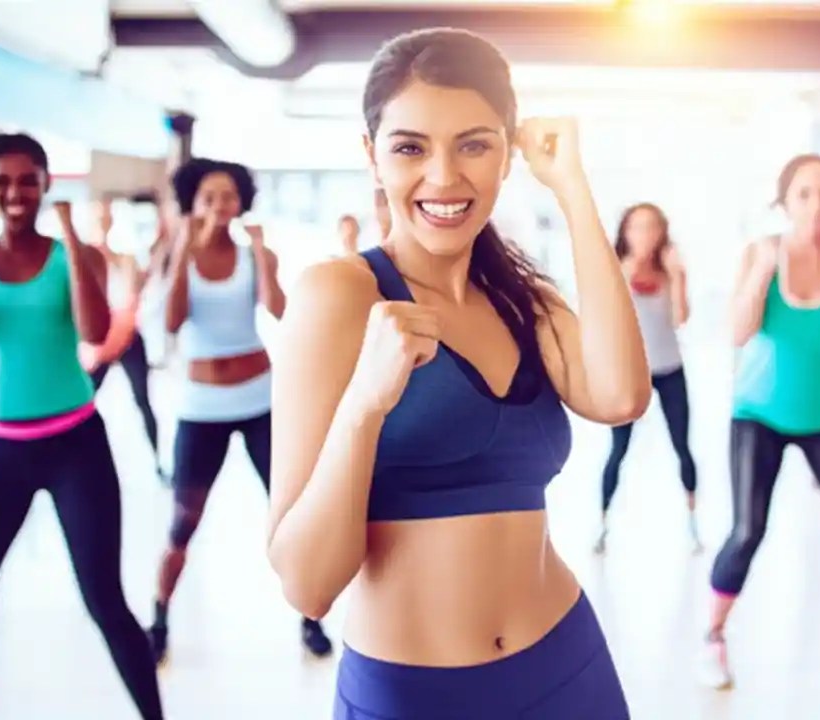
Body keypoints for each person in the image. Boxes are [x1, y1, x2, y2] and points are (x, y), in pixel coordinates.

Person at [267, 28, 649, 719]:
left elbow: (622, 395)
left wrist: (573, 191)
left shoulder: (523, 299)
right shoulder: (337, 296)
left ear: (507, 153)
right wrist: (363, 406)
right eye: (410, 146)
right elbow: (306, 585)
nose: (444, 177)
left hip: (567, 667)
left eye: (474, 144)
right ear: (371, 156)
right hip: (414, 696)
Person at [0, 133, 163, 720]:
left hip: (75, 447)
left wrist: (69, 234)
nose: (15, 193)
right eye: (2, 182)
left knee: (105, 601)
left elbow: (93, 334)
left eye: (27, 180)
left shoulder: (73, 254)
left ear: (45, 185)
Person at [702, 153, 820, 690]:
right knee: (748, 530)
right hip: (758, 413)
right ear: (785, 201)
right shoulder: (761, 252)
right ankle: (714, 635)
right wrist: (764, 270)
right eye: (806, 193)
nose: (818, 204)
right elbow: (737, 333)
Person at [147, 157, 333, 663]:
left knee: (290, 510)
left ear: (241, 201)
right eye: (209, 197)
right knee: (184, 520)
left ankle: (311, 615)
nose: (220, 205)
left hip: (258, 399)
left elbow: (280, 310)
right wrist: (184, 244)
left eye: (228, 196)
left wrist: (258, 250)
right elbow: (171, 319)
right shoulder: (177, 252)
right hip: (201, 407)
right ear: (194, 202)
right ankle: (160, 614)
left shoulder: (256, 253)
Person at [595, 202, 699, 554]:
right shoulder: (616, 270)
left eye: (652, 227)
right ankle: (603, 524)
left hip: (670, 369)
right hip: (629, 373)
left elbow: (680, 318)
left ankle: (693, 523)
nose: (645, 235)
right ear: (625, 232)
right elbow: (607, 318)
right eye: (638, 228)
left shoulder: (671, 271)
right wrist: (627, 272)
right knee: (618, 449)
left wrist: (680, 277)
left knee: (682, 446)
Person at [79, 199, 163, 481]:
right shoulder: (83, 260)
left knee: (143, 400)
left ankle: (158, 462)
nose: (103, 222)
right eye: (98, 217)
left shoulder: (124, 259)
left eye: (107, 217)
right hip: (99, 341)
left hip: (126, 336)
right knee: (83, 403)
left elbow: (135, 288)